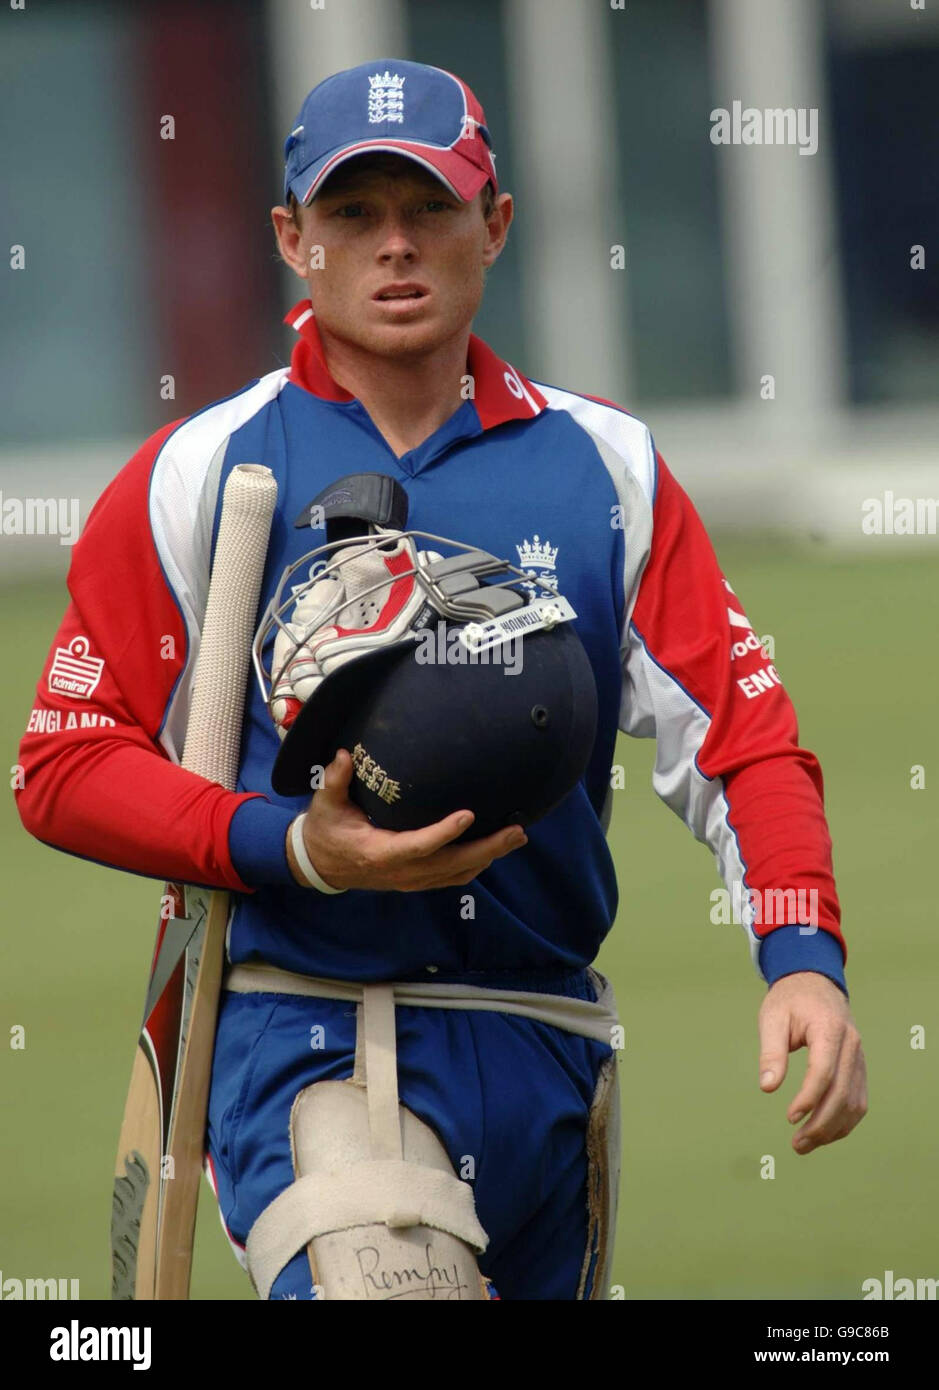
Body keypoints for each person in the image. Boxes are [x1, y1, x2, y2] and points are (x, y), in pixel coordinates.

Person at [15, 58, 866, 1301]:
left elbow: (744, 739)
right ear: (292, 238)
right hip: (307, 1030)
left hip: (548, 1041)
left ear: (497, 224)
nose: (395, 247)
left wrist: (800, 953)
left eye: (432, 209)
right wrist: (294, 849)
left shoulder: (606, 467)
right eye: (353, 215)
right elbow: (65, 764)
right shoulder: (203, 472)